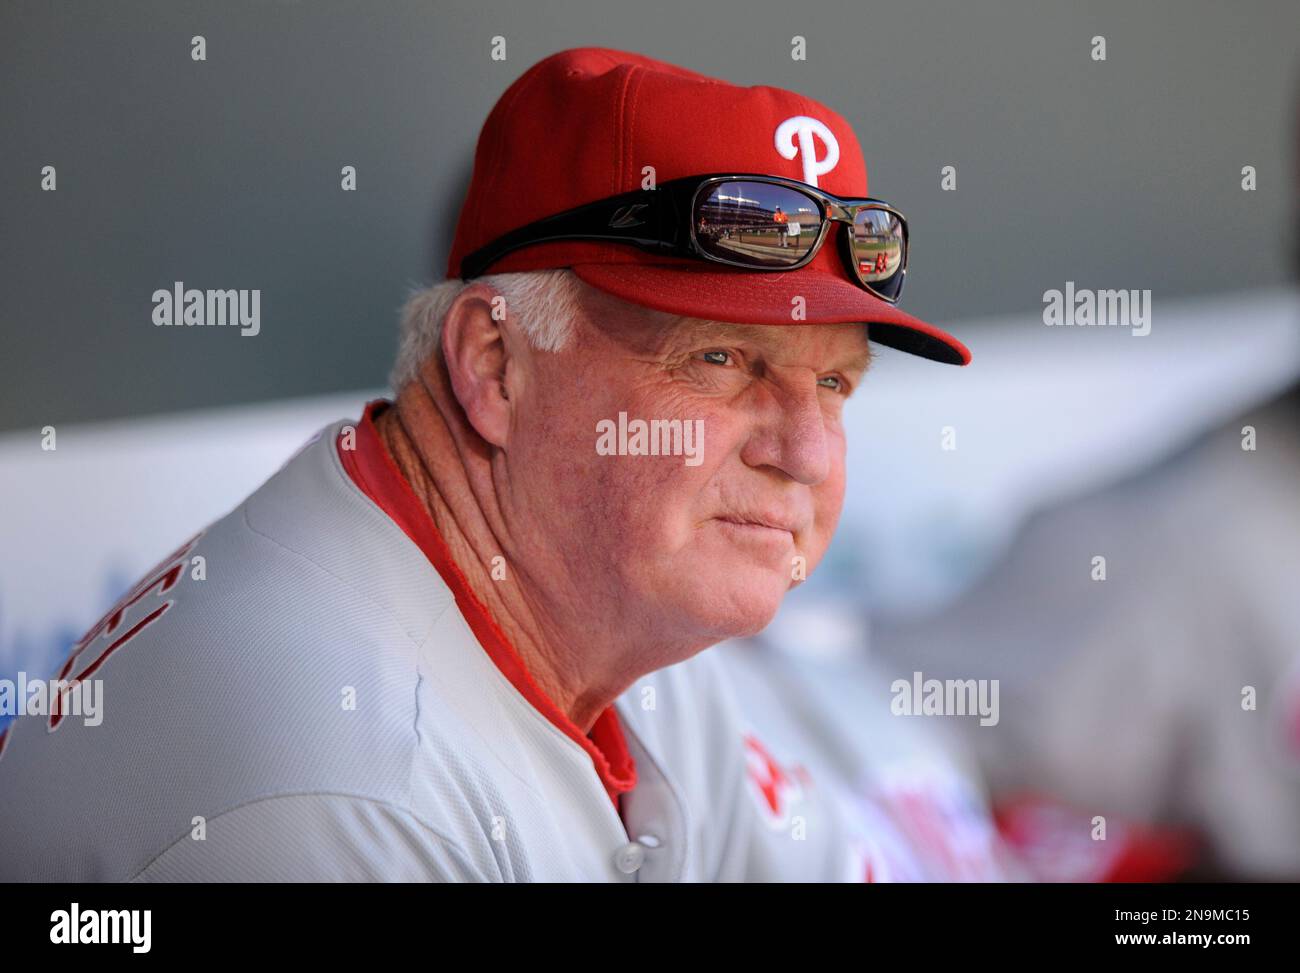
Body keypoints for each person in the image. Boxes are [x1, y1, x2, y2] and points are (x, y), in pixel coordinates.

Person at [0, 46, 969, 882]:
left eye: (835, 386)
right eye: (719, 361)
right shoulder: (339, 782)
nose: (802, 452)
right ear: (495, 366)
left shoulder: (626, 614)